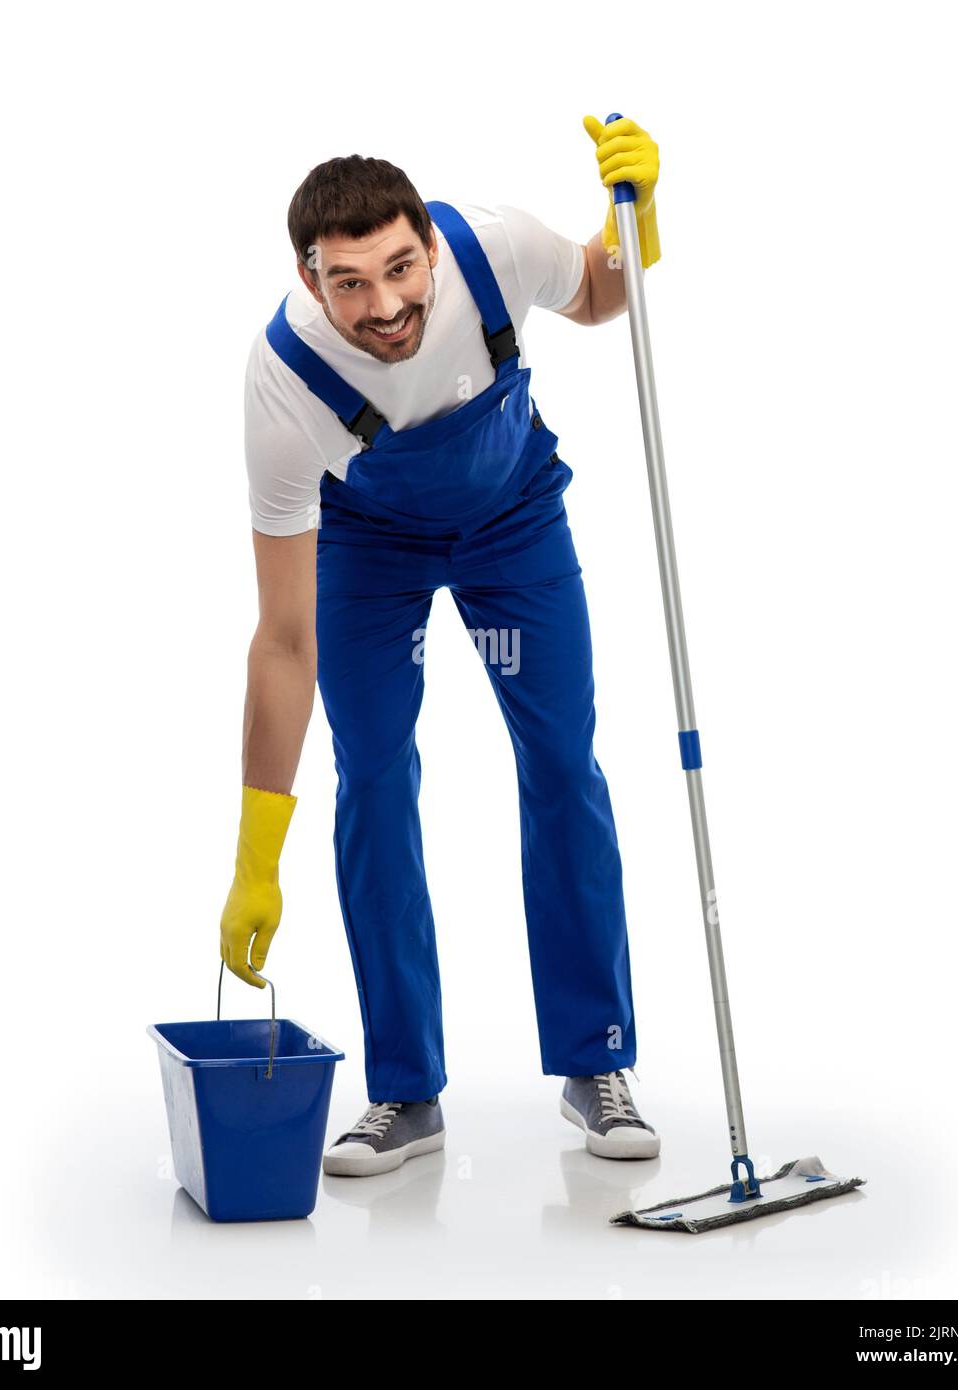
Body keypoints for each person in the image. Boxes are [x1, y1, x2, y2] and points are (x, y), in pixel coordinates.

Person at [221, 116, 664, 1177]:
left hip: (513, 519)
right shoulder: (282, 386)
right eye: (348, 284)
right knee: (371, 777)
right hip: (368, 547)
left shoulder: (494, 247)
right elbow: (283, 641)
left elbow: (605, 295)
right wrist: (253, 857)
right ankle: (403, 1090)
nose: (383, 307)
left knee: (560, 760)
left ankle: (593, 1059)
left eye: (400, 267)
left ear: (429, 239)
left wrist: (640, 210)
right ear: (307, 278)